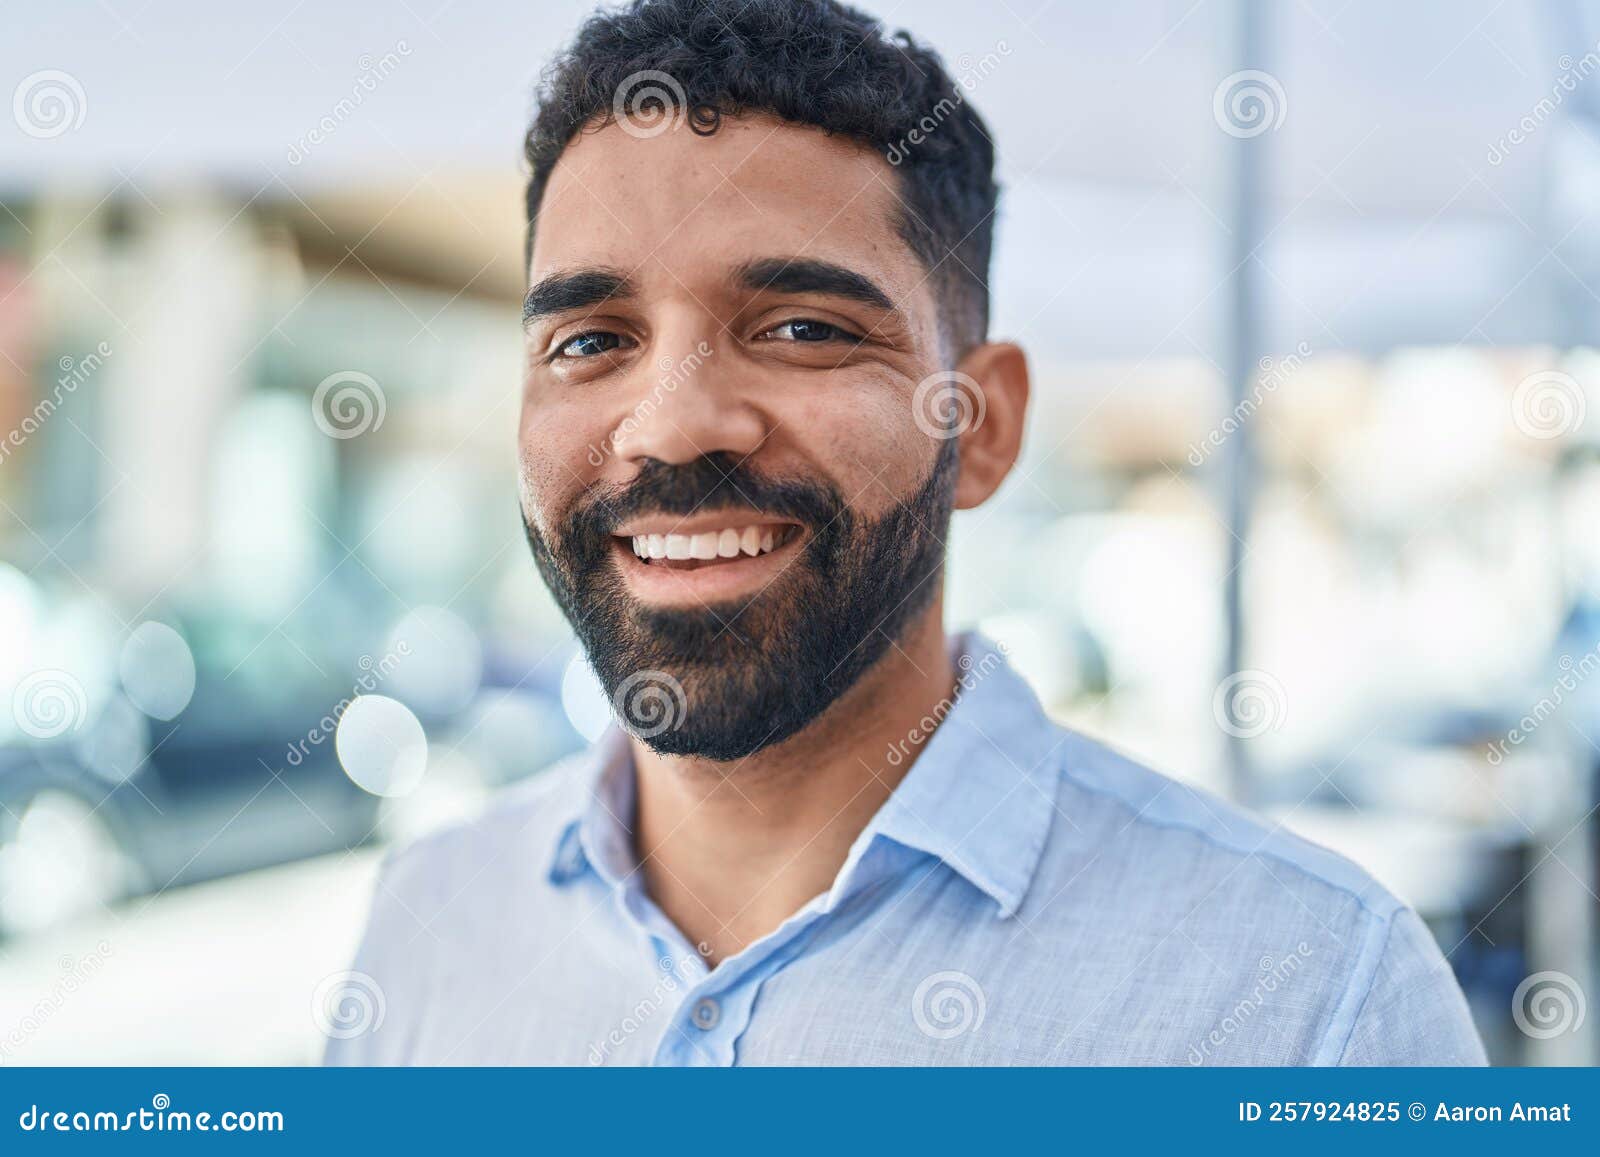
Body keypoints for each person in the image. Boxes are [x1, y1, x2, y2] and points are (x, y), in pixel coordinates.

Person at [326, 0, 1484, 1065]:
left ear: (980, 427)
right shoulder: (428, 921)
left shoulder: (1317, 998)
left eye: (800, 327)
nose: (672, 425)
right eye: (588, 340)